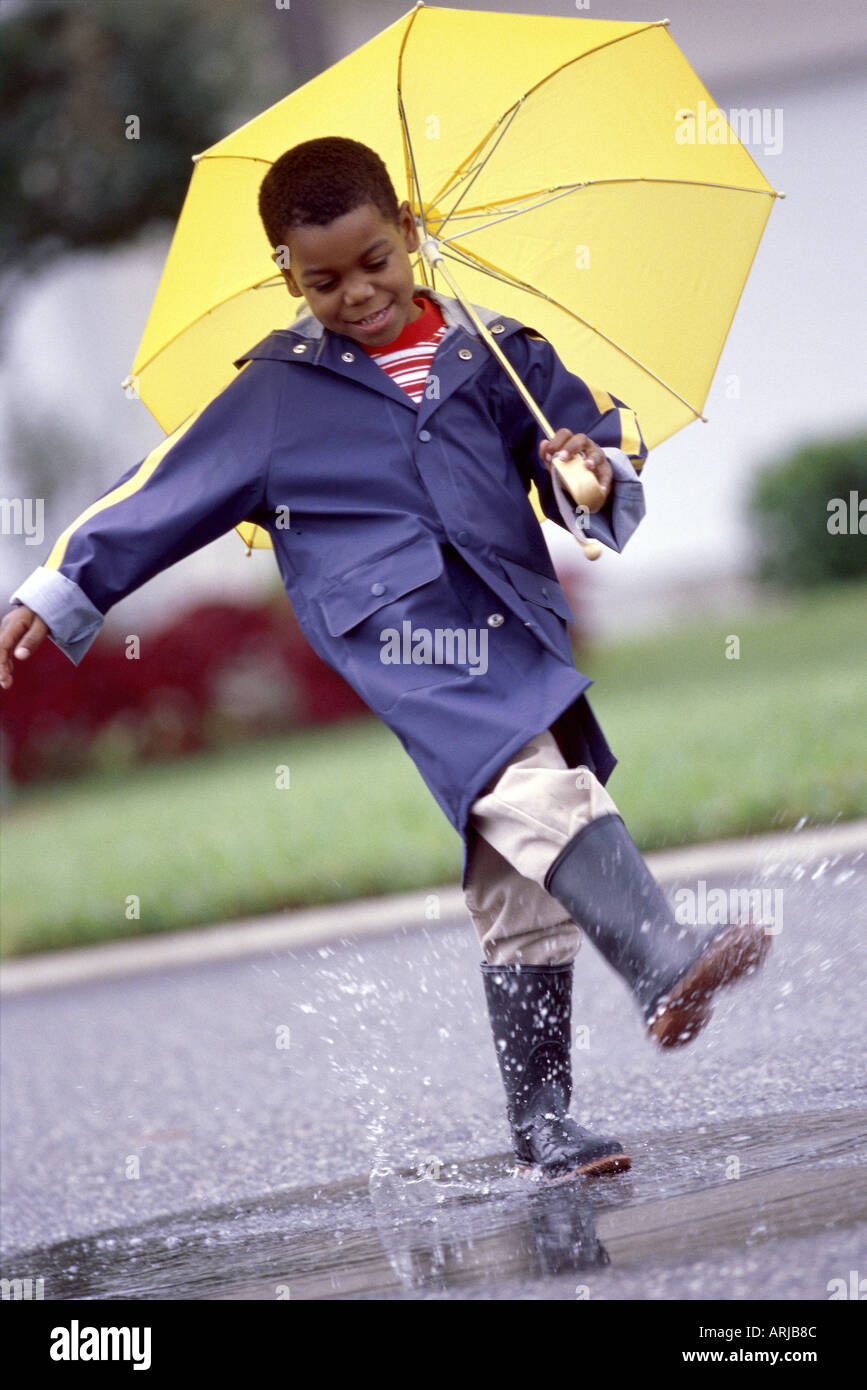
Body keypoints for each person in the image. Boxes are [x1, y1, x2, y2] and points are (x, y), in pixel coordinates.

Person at [0, 137, 770, 1181]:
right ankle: (660, 955)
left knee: (518, 874)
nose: (355, 293)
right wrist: (59, 587)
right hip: (394, 626)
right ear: (287, 273)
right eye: (322, 279)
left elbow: (588, 454)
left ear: (408, 230)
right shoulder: (278, 394)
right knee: (528, 776)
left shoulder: (498, 355)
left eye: (374, 262)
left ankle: (543, 1126)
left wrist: (588, 474)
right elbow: (159, 494)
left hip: (511, 620)